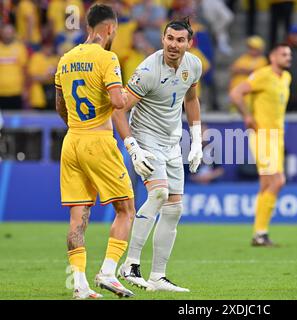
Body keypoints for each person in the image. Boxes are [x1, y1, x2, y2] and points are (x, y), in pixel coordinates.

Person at [55, 3, 153, 299]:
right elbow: (118, 102)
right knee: (126, 209)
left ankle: (80, 285)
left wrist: (75, 124)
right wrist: (126, 91)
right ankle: (109, 272)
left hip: (72, 140)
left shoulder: (65, 59)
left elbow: (60, 104)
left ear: (88, 27)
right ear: (110, 28)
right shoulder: (107, 58)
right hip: (98, 142)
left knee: (78, 215)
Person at [112, 17, 203, 292]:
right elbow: (119, 109)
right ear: (162, 39)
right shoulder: (149, 69)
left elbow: (191, 98)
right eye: (169, 39)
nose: (173, 45)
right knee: (159, 194)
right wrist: (132, 147)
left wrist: (196, 140)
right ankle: (130, 265)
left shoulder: (194, 65)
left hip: (172, 142)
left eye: (179, 40)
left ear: (189, 43)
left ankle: (158, 276)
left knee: (174, 209)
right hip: (146, 138)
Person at [230, 43, 292, 247]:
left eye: (289, 54)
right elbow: (236, 93)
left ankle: (260, 233)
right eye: (284, 54)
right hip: (262, 135)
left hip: (278, 136)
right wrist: (247, 116)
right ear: (272, 57)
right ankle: (260, 233)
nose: (288, 57)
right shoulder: (262, 74)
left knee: (267, 184)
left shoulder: (286, 78)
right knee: (278, 181)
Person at [0, 24, 28, 110]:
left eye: (9, 32)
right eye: (5, 33)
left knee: (16, 121)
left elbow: (25, 71)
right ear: (1, 33)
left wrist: (25, 89)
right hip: (1, 92)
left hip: (16, 92)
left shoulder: (20, 48)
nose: (7, 35)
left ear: (13, 33)